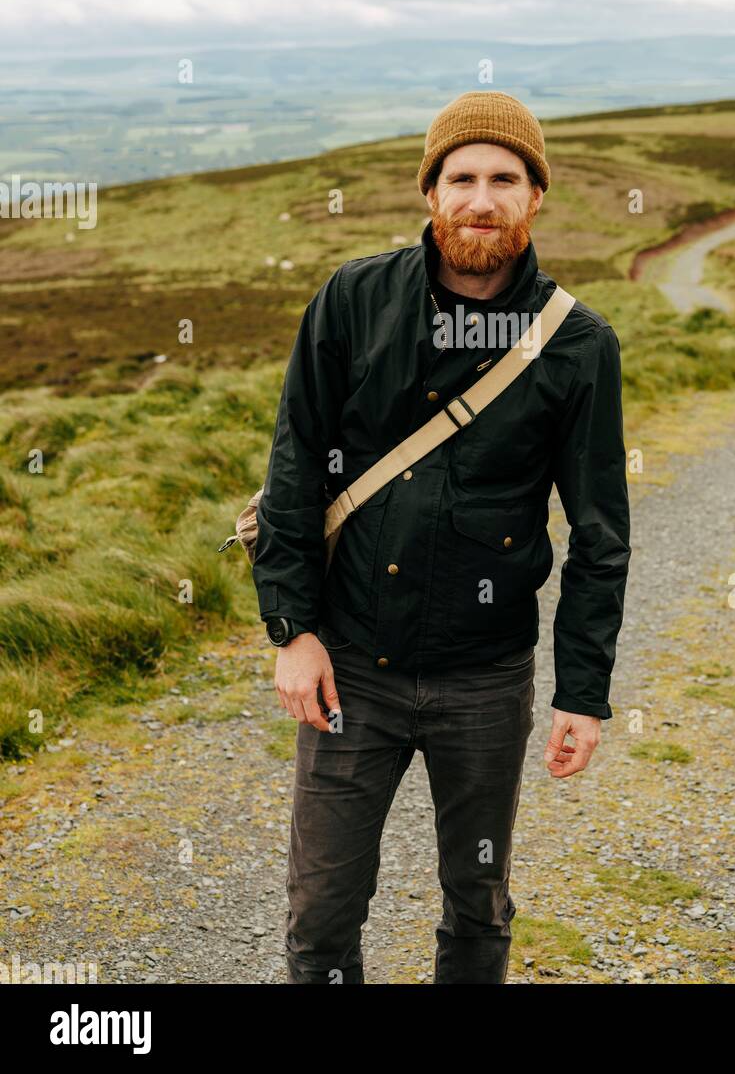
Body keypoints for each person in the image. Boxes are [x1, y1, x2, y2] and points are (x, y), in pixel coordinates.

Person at [253, 88, 631, 983]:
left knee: (478, 905)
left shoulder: (577, 344)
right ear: (430, 192)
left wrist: (583, 693)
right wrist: (293, 630)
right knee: (322, 912)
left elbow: (599, 535)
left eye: (505, 178)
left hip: (485, 683)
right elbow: (295, 471)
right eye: (461, 176)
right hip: (350, 671)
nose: (481, 199)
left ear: (535, 197)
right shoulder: (351, 300)